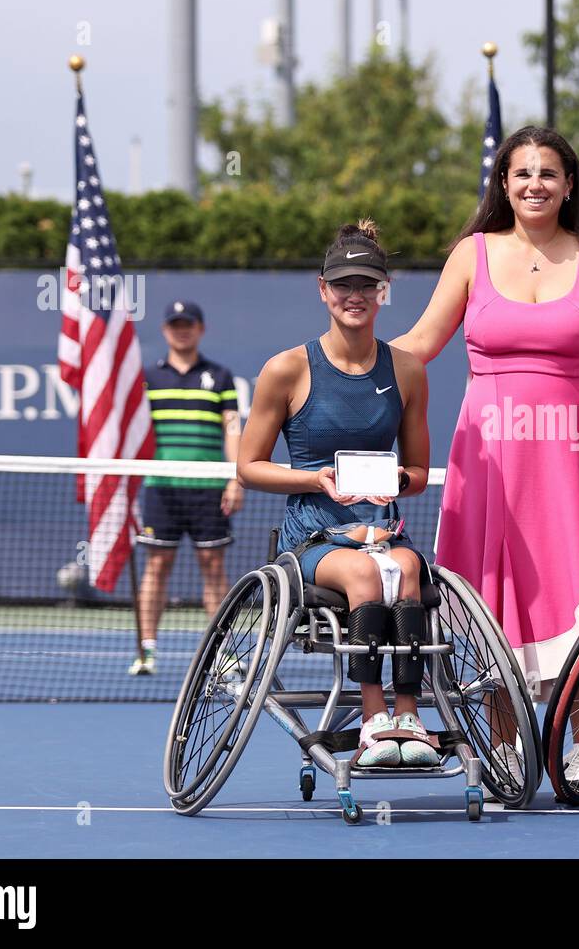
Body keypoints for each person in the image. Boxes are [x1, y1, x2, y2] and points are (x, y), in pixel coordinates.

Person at [391, 127, 579, 753]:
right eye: (522, 173)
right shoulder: (470, 255)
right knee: (495, 604)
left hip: (578, 459)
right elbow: (418, 344)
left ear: (569, 184)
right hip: (490, 460)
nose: (534, 185)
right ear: (504, 183)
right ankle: (503, 751)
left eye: (548, 174)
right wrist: (344, 364)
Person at [237, 219, 438, 768]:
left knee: (409, 571)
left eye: (367, 285)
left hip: (383, 531)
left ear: (383, 291)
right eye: (343, 285)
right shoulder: (286, 369)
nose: (355, 296)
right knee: (365, 574)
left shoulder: (409, 371)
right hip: (314, 540)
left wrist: (397, 480)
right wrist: (315, 478)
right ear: (323, 290)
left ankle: (409, 717)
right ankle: (375, 721)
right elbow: (248, 466)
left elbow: (419, 471)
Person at [131, 300, 243, 676]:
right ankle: (146, 650)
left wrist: (234, 477)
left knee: (213, 567)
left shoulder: (220, 376)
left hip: (208, 489)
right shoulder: (147, 378)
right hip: (161, 488)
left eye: (188, 323)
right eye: (175, 324)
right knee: (157, 565)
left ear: (201, 328)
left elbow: (232, 429)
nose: (182, 330)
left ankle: (221, 654)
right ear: (165, 330)